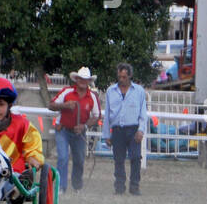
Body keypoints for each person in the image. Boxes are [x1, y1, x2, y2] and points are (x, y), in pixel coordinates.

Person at [48, 66, 101, 194]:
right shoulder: (67, 92)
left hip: (79, 132)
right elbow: (51, 105)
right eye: (81, 79)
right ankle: (61, 186)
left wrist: (84, 126)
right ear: (76, 79)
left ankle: (77, 186)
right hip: (63, 129)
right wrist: (64, 105)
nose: (83, 81)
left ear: (89, 81)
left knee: (79, 159)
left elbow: (96, 115)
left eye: (86, 79)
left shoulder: (92, 97)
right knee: (63, 157)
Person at [103, 63, 149, 196]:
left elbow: (143, 113)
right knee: (118, 159)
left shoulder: (139, 91)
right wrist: (107, 134)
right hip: (117, 130)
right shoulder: (111, 91)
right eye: (119, 77)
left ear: (129, 76)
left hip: (133, 129)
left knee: (135, 157)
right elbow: (107, 114)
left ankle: (134, 187)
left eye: (124, 77)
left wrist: (141, 130)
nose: (121, 79)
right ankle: (119, 187)